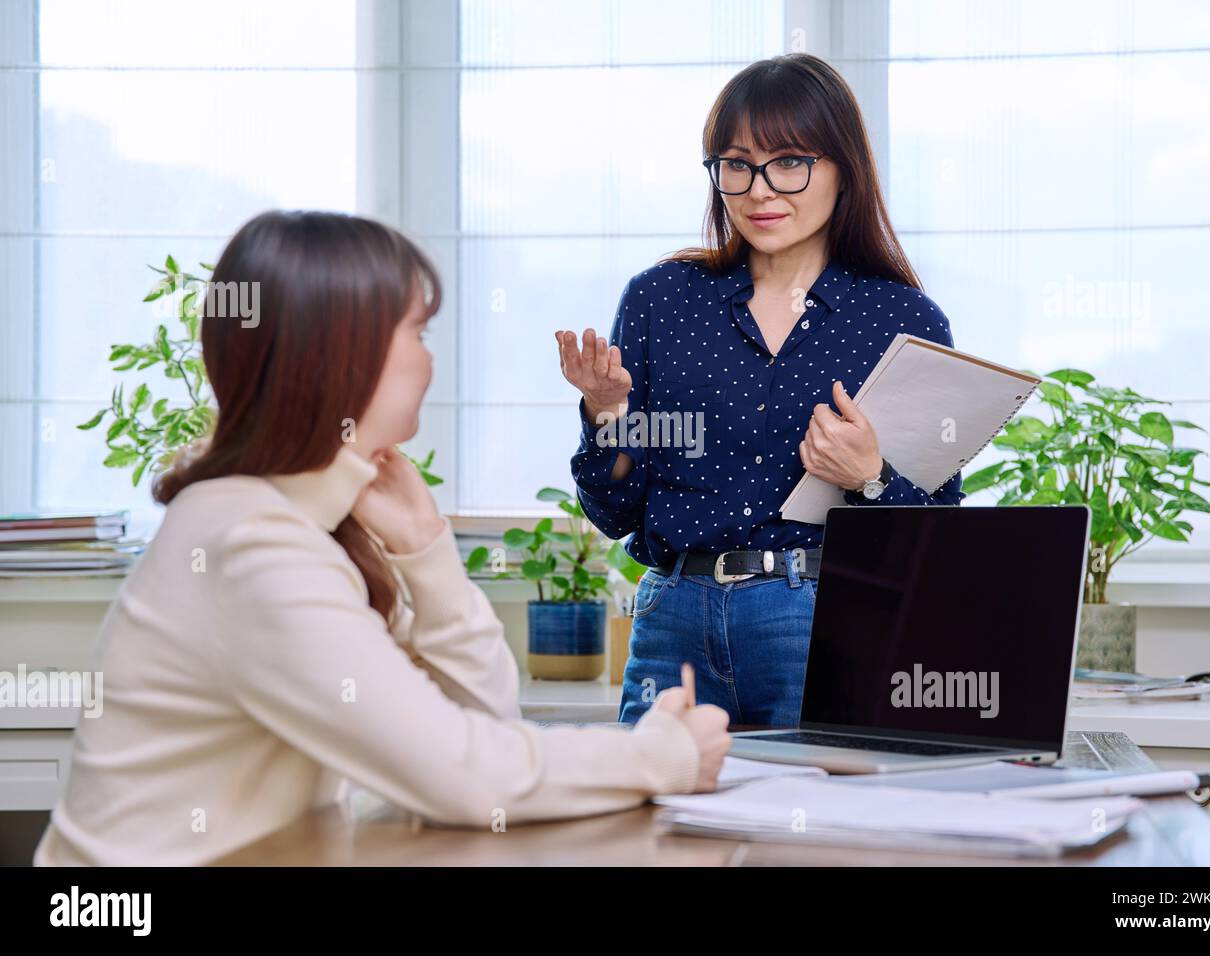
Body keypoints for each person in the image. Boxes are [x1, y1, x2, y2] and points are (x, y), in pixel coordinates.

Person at [35, 210, 730, 866]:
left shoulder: (316, 516)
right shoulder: (247, 539)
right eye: (418, 334)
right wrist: (659, 755)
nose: (431, 363)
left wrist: (427, 550)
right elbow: (459, 776)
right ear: (342, 354)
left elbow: (481, 723)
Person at [557, 53, 965, 727]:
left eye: (790, 161)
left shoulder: (904, 321)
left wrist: (868, 476)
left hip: (820, 617)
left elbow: (934, 538)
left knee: (814, 827)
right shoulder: (661, 301)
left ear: (843, 170)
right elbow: (615, 513)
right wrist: (608, 415)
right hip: (672, 622)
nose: (759, 189)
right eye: (736, 164)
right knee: (655, 818)